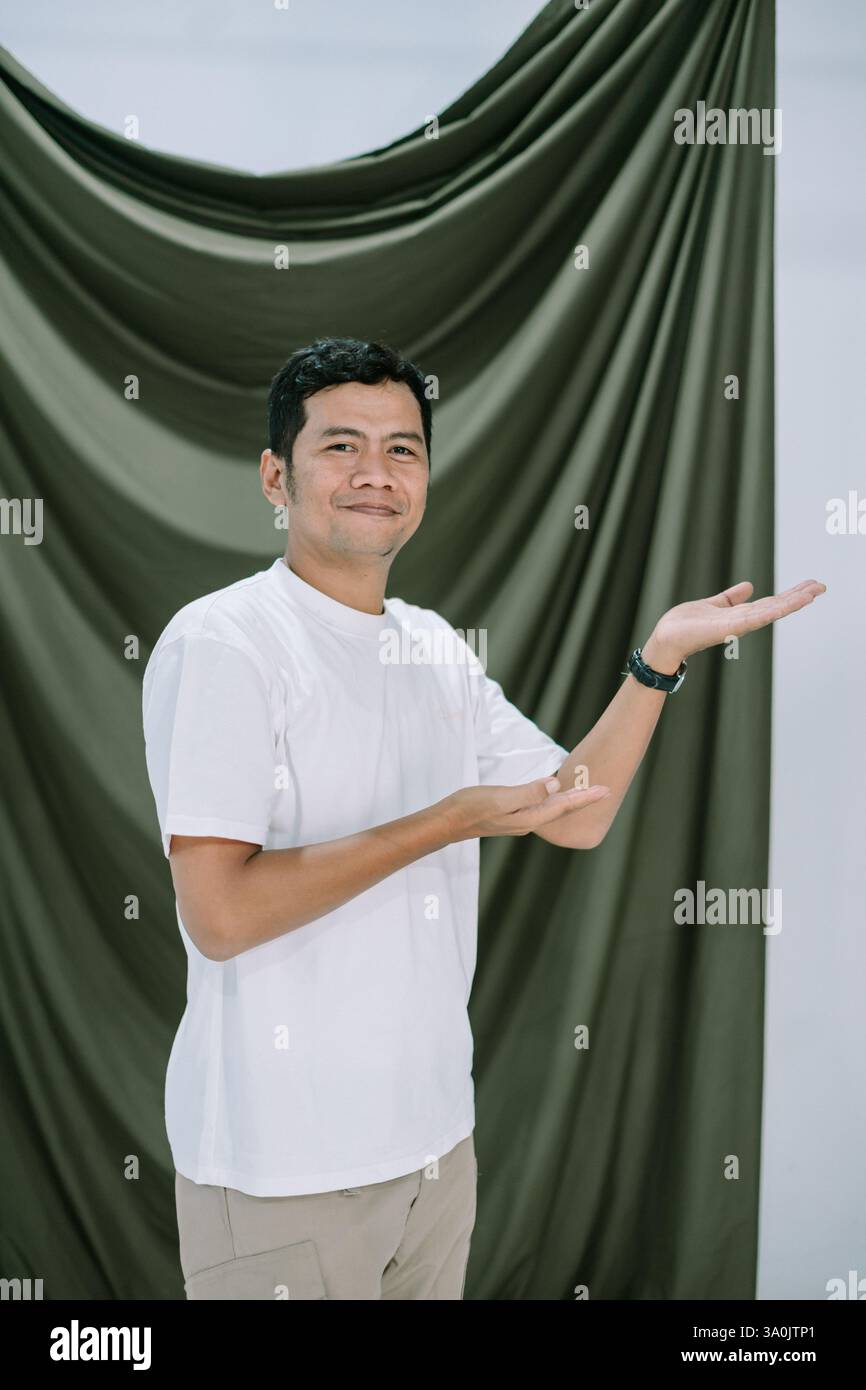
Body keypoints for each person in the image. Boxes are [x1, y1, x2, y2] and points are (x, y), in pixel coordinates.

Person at [141, 336, 825, 1300]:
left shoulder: (431, 648)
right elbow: (219, 915)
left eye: (403, 449)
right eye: (340, 447)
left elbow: (574, 813)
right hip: (279, 1169)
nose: (376, 473)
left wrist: (658, 660)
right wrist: (445, 820)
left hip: (433, 1155)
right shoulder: (224, 643)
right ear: (274, 475)